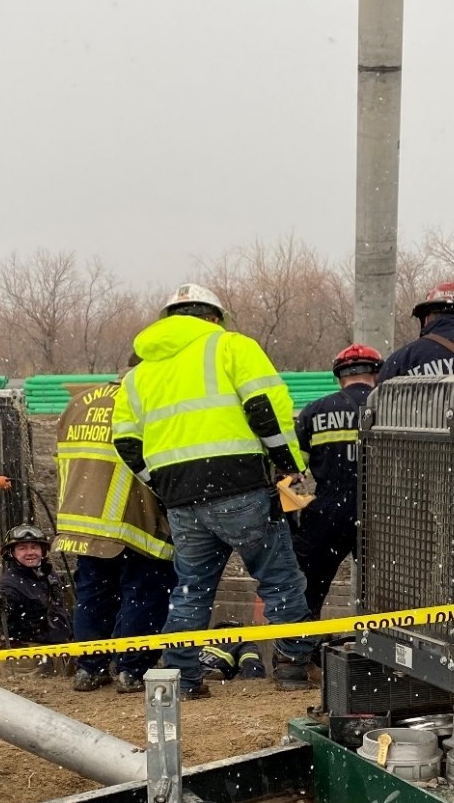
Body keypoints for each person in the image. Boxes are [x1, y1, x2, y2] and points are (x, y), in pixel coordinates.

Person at [113, 282, 313, 699]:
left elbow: (127, 444)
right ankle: (292, 664)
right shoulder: (231, 346)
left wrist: (162, 485)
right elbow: (264, 407)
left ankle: (183, 678)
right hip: (240, 485)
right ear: (214, 317)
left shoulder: (139, 374)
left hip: (182, 499)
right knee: (279, 579)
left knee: (191, 589)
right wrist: (290, 464)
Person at [54, 356, 178, 692]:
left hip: (84, 522)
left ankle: (89, 668)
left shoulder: (79, 403)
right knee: (145, 595)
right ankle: (132, 670)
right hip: (132, 522)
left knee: (93, 595)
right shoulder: (147, 403)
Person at [289, 343, 381, 619]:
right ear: (376, 374)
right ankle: (382, 650)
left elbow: (291, 473)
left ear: (340, 377)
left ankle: (298, 653)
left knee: (308, 590)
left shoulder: (314, 411)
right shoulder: (394, 409)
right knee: (386, 592)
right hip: (382, 512)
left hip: (328, 511)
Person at [0, 524, 73, 647]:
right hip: (28, 655)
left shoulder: (48, 574)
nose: (30, 552)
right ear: (12, 553)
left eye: (34, 547)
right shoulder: (9, 584)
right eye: (22, 548)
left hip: (60, 648)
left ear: (42, 550)